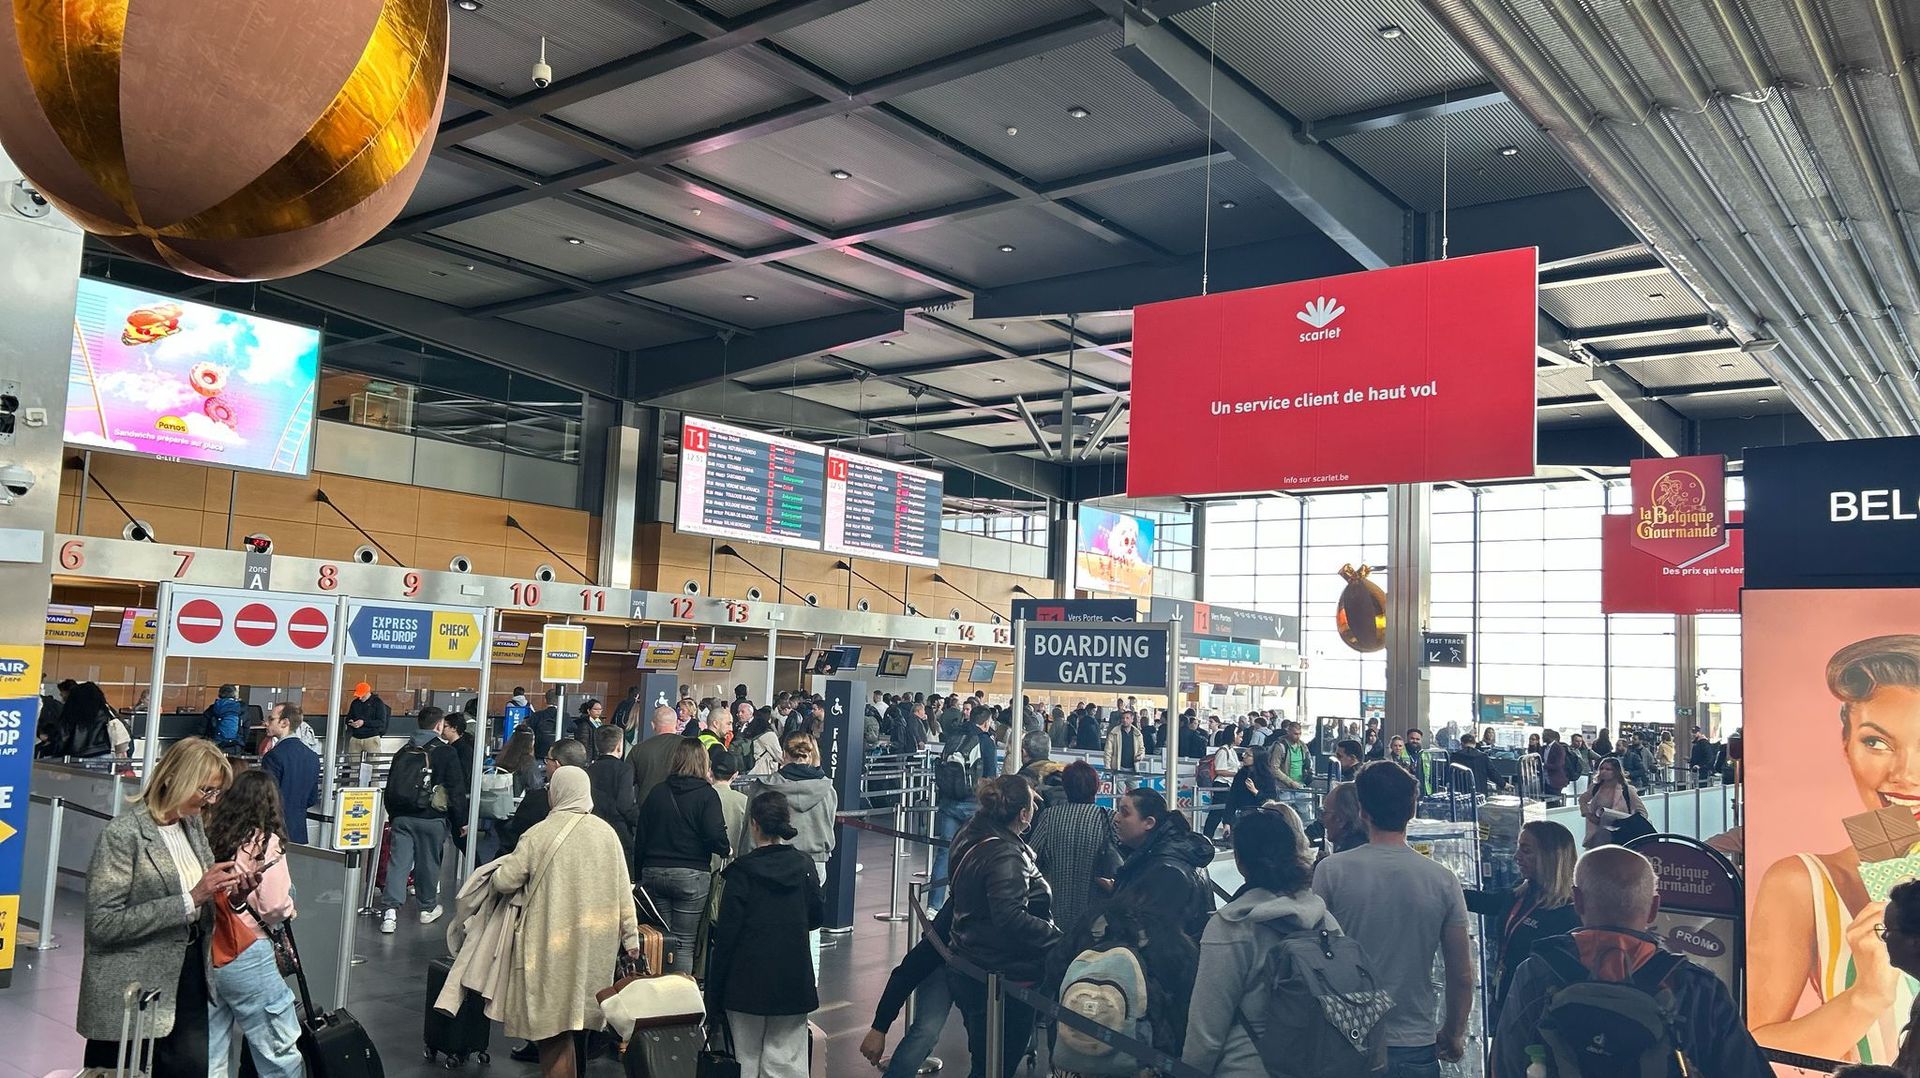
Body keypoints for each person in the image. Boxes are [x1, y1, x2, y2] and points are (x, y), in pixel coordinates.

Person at [1751, 636, 1920, 1064]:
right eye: (1877, 742)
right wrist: (1867, 995)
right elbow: (1755, 1058)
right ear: (1847, 747)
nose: (1905, 774)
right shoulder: (1802, 883)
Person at [1494, 846, 1770, 1078]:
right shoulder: (1697, 987)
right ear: (1654, 908)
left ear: (1577, 901)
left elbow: (1506, 1066)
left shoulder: (1536, 972)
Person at [78, 738, 241, 1077]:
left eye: (216, 792)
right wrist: (191, 898)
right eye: (205, 790)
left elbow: (204, 891)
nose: (212, 800)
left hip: (188, 975)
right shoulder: (123, 834)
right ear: (173, 778)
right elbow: (103, 924)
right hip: (133, 988)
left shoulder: (191, 825)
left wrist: (233, 891)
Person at [1314, 761, 1473, 1077]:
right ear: (1412, 809)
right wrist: (1454, 1032)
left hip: (1349, 1037)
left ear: (1363, 811)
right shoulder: (1443, 880)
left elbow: (1316, 956)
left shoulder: (1331, 871)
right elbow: (1461, 973)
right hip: (1416, 1041)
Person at [491, 767, 642, 1078]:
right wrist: (631, 938)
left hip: (549, 944)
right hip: (595, 946)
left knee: (551, 1026)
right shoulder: (607, 834)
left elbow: (505, 881)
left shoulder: (539, 834)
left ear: (557, 792)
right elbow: (622, 892)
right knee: (581, 1020)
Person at [1181, 802, 1335, 1076]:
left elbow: (1206, 1030)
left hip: (1247, 1066)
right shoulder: (1323, 918)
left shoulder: (1232, 925)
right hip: (1318, 1063)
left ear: (1240, 861)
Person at [945, 775, 1059, 1078]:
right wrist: (1059, 940)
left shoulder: (972, 831)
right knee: (997, 1065)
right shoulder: (1006, 855)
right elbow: (1010, 917)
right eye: (1032, 803)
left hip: (969, 960)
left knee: (984, 1061)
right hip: (1003, 972)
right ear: (1022, 814)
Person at [706, 790, 825, 1078]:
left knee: (744, 1061)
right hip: (793, 981)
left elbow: (726, 939)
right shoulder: (804, 866)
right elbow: (815, 918)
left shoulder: (740, 873)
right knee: (788, 1063)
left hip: (745, 985)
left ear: (754, 824)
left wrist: (713, 997)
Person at [204, 768, 302, 1078]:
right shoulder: (265, 842)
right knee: (278, 1052)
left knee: (212, 1051)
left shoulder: (213, 836)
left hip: (211, 947)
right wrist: (290, 907)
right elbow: (273, 905)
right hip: (248, 950)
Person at [635, 738, 729, 975]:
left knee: (663, 939)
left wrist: (639, 876)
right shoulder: (707, 795)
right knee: (684, 943)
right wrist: (725, 849)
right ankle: (680, 993)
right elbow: (714, 835)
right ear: (704, 763)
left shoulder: (657, 793)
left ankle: (659, 988)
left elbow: (641, 837)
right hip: (691, 874)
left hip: (654, 872)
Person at [1466, 820, 1580, 1014]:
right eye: (1518, 848)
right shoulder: (1523, 893)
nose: (1516, 856)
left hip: (1539, 1011)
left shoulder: (1570, 911)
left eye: (1526, 851)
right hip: (1506, 999)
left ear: (1550, 857)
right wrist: (1444, 888)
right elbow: (1486, 902)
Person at [379, 708, 461, 933]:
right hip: (431, 818)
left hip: (402, 817)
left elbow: (391, 786)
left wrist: (394, 815)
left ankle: (390, 913)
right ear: (438, 725)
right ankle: (427, 908)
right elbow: (455, 788)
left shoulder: (403, 751)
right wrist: (460, 820)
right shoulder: (446, 752)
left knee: (398, 863)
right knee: (428, 862)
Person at [1027, 761, 1116, 946]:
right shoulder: (1109, 818)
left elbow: (1031, 860)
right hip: (1096, 921)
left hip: (1055, 917)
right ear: (1096, 787)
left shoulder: (1049, 817)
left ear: (1066, 787)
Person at [930, 708, 996, 909]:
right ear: (986, 723)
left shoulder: (954, 736)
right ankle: (967, 904)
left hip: (949, 802)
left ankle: (934, 905)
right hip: (973, 804)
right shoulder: (985, 741)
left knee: (944, 853)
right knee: (975, 853)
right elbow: (990, 776)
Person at [497, 738, 589, 856]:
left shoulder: (535, 801)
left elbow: (515, 841)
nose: (546, 765)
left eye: (548, 760)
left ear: (556, 764)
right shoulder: (599, 800)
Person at [258, 702, 319, 845]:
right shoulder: (312, 756)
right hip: (299, 831)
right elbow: (312, 798)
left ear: (285, 722)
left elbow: (267, 797)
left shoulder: (273, 756)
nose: (266, 723)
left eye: (271, 719)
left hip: (274, 832)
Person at [586, 724, 639, 867]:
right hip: (619, 830)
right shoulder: (624, 769)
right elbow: (625, 805)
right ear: (619, 746)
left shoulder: (589, 769)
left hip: (594, 828)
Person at [1576, 755, 1646, 849]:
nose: (1603, 771)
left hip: (1621, 834)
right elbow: (1582, 800)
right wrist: (1587, 814)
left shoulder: (1627, 790)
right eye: (1601, 768)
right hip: (1599, 834)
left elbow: (1642, 812)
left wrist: (1631, 823)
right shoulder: (1595, 788)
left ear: (1616, 772)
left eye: (1608, 769)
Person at [627, 705, 686, 807]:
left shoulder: (638, 749)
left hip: (647, 807)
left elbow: (626, 782)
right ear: (677, 723)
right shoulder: (691, 747)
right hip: (682, 807)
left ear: (653, 725)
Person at [709, 748, 748, 870]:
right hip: (733, 867)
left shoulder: (700, 797)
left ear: (710, 771)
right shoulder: (744, 801)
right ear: (735, 775)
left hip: (704, 865)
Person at [1319, 780, 1365, 858]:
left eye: (1325, 812)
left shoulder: (1335, 863)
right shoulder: (1382, 851)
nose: (1322, 819)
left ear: (1341, 819)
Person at [343, 681, 389, 754]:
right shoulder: (355, 703)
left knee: (373, 761)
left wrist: (363, 722)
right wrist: (351, 722)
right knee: (353, 760)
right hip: (356, 737)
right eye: (359, 696)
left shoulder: (378, 703)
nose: (360, 698)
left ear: (368, 693)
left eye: (362, 695)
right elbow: (349, 717)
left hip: (371, 737)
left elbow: (381, 722)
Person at [202, 684, 247, 755]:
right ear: (234, 695)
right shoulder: (242, 709)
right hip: (235, 746)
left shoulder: (212, 709)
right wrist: (242, 744)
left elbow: (202, 727)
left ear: (219, 694)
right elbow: (246, 729)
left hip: (215, 745)